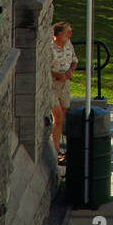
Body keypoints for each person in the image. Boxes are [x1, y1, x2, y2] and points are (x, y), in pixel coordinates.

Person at [51, 21, 77, 161]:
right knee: (58, 117)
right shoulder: (49, 47)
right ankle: (55, 150)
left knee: (59, 120)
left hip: (65, 86)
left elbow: (74, 60)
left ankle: (57, 150)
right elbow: (43, 69)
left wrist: (71, 71)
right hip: (52, 86)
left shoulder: (68, 44)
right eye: (68, 31)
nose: (70, 34)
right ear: (59, 34)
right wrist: (57, 75)